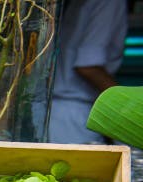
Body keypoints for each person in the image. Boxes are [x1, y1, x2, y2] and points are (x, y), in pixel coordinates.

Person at [48, 0, 128, 144]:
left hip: (59, 113)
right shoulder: (111, 2)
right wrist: (127, 107)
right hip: (74, 117)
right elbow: (88, 66)